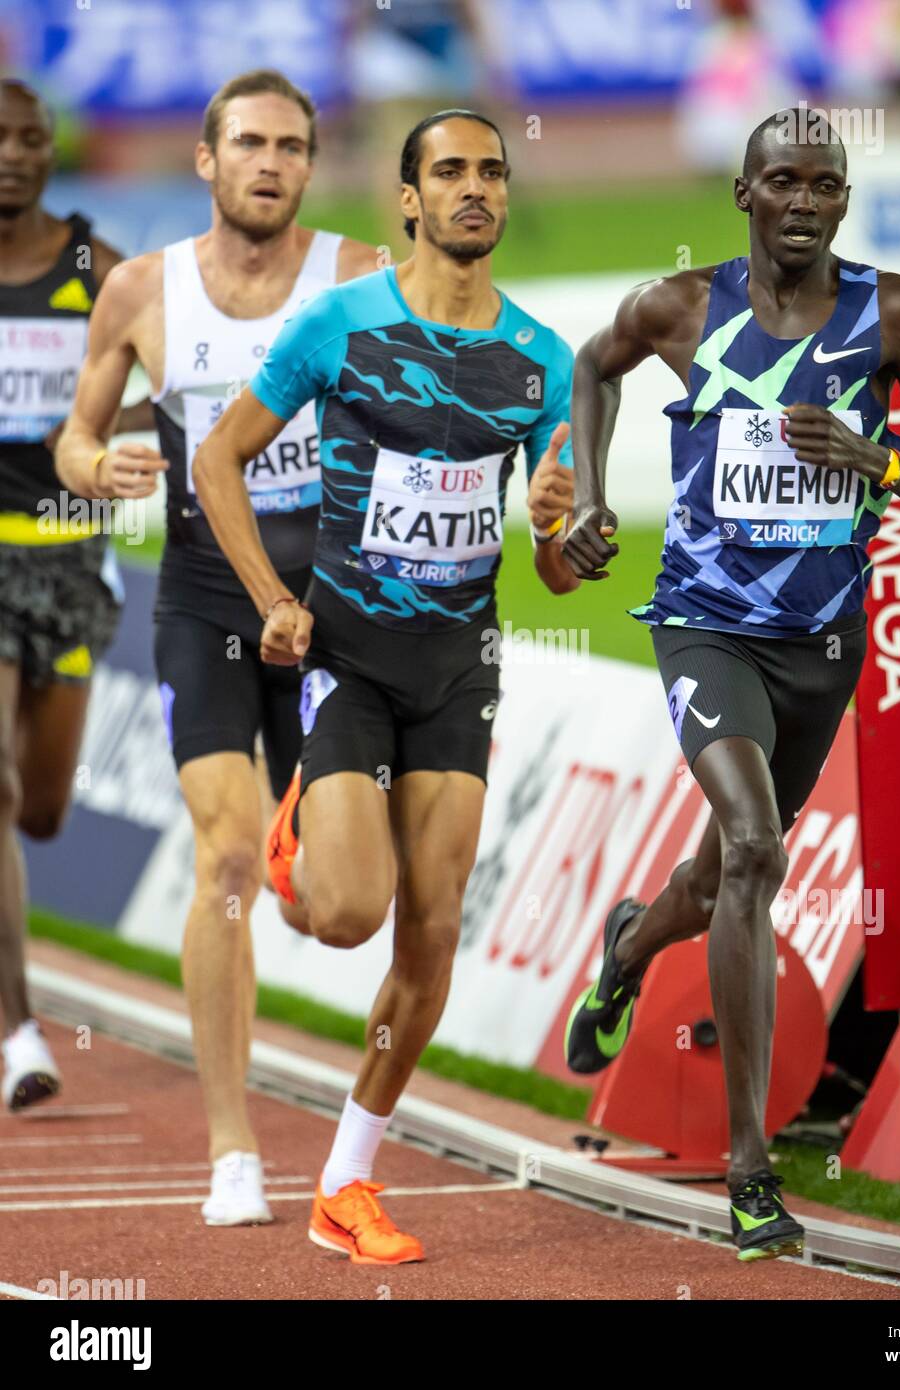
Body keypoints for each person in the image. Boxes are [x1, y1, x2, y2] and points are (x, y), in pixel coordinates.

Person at [562, 108, 900, 1261]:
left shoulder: (885, 312)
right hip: (703, 625)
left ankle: (628, 949)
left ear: (843, 201)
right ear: (742, 194)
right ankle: (750, 1167)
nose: (803, 202)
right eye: (782, 182)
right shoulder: (679, 307)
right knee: (753, 845)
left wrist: (878, 460)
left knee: (721, 868)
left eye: (825, 185)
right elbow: (587, 372)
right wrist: (590, 493)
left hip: (822, 641)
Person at [192, 109, 577, 1264]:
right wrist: (271, 597)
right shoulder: (341, 326)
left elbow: (557, 569)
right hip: (348, 658)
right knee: (349, 912)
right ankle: (293, 846)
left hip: (460, 669)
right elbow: (219, 460)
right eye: (448, 172)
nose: (473, 190)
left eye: (490, 173)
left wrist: (564, 532)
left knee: (437, 928)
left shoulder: (542, 361)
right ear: (407, 200)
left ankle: (344, 1183)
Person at [56, 69, 379, 1225]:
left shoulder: (357, 279)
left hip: (330, 614)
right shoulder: (142, 291)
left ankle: (310, 866)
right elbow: (78, 435)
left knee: (335, 910)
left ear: (307, 164)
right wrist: (98, 468)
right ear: (206, 160)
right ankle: (233, 1150)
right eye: (248, 143)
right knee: (225, 864)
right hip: (203, 606)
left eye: (292, 146)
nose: (270, 162)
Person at [0, 79, 148, 1111]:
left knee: (41, 809)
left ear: (56, 150)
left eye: (32, 138)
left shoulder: (98, 263)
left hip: (72, 556)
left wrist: (104, 424)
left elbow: (154, 381)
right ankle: (18, 1028)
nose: (14, 153)